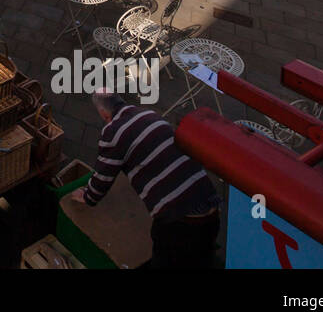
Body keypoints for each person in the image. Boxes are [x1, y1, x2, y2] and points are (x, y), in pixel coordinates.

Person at [70, 91, 221, 269]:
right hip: (210, 205)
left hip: (178, 220)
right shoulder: (150, 114)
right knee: (203, 260)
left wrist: (87, 197)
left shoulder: (113, 132)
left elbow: (103, 177)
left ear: (104, 114)